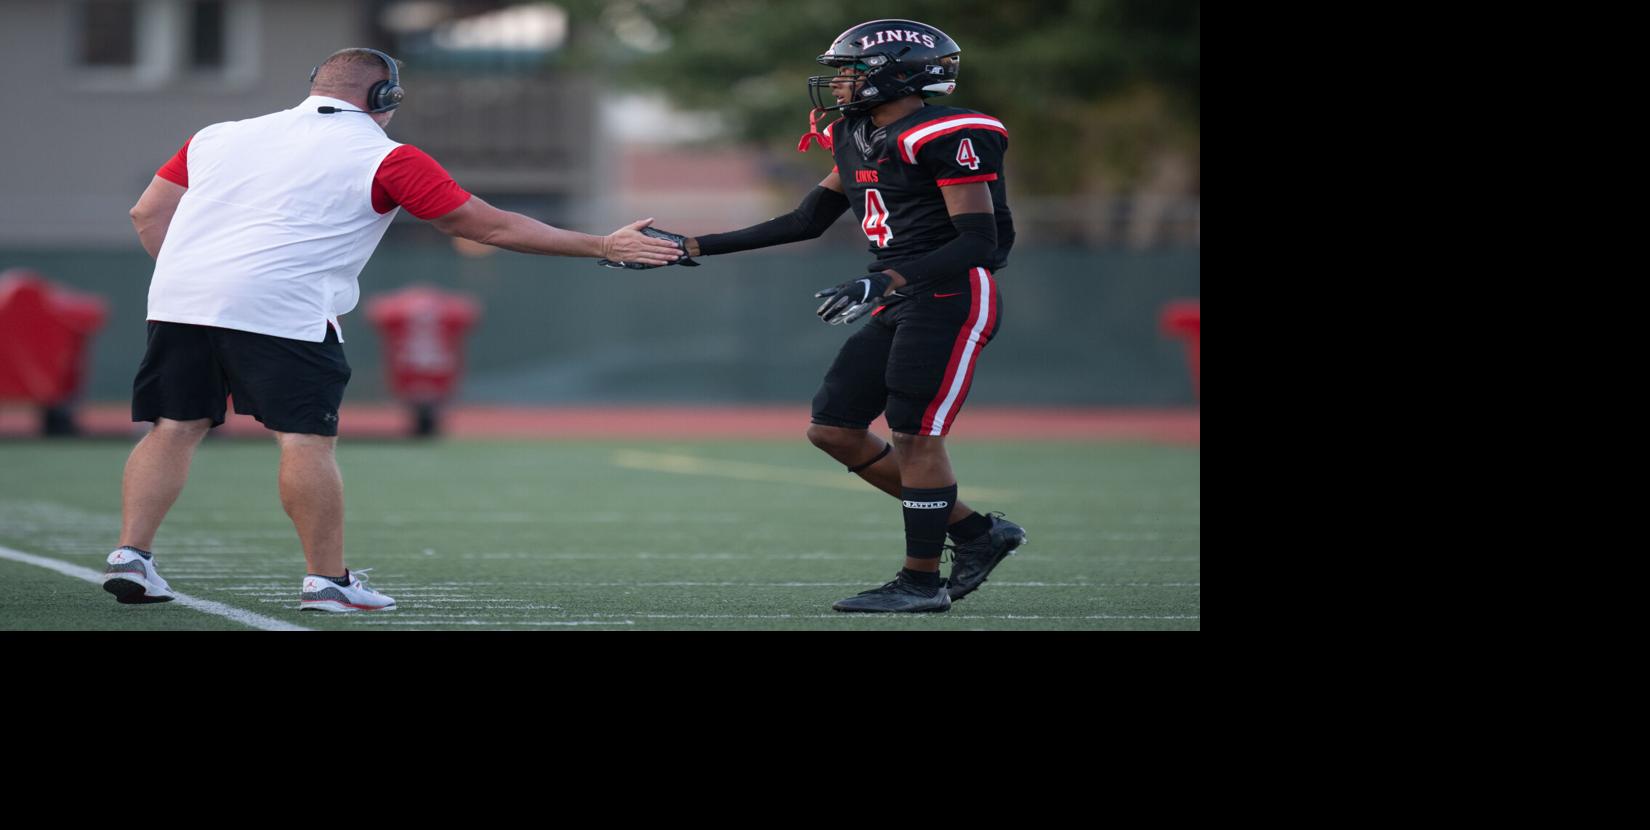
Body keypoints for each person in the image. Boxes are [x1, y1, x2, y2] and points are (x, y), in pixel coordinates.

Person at [102, 47, 683, 613]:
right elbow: (487, 226)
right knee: (304, 439)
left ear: (316, 85)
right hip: (285, 307)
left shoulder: (216, 135)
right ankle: (327, 582)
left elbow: (146, 213)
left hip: (180, 301)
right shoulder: (387, 156)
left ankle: (131, 556)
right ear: (386, 97)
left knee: (174, 426)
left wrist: (202, 281)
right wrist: (602, 244)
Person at [634, 20, 1027, 613]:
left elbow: (980, 241)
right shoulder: (857, 133)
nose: (839, 81)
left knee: (914, 434)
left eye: (853, 69)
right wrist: (692, 246)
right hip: (903, 293)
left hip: (951, 293)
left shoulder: (947, 133)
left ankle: (921, 583)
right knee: (833, 428)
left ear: (899, 72)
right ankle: (977, 533)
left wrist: (884, 278)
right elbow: (806, 220)